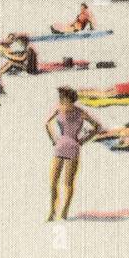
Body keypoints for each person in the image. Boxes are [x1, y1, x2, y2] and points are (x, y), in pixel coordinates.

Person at [45, 87, 103, 221]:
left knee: (68, 183)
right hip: (60, 146)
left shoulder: (80, 112)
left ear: (69, 99)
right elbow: (47, 123)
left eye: (62, 97)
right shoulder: (58, 108)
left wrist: (83, 140)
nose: (60, 99)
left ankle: (64, 211)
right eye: (60, 97)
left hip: (72, 147)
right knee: (53, 182)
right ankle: (52, 211)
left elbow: (97, 126)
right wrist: (53, 139)